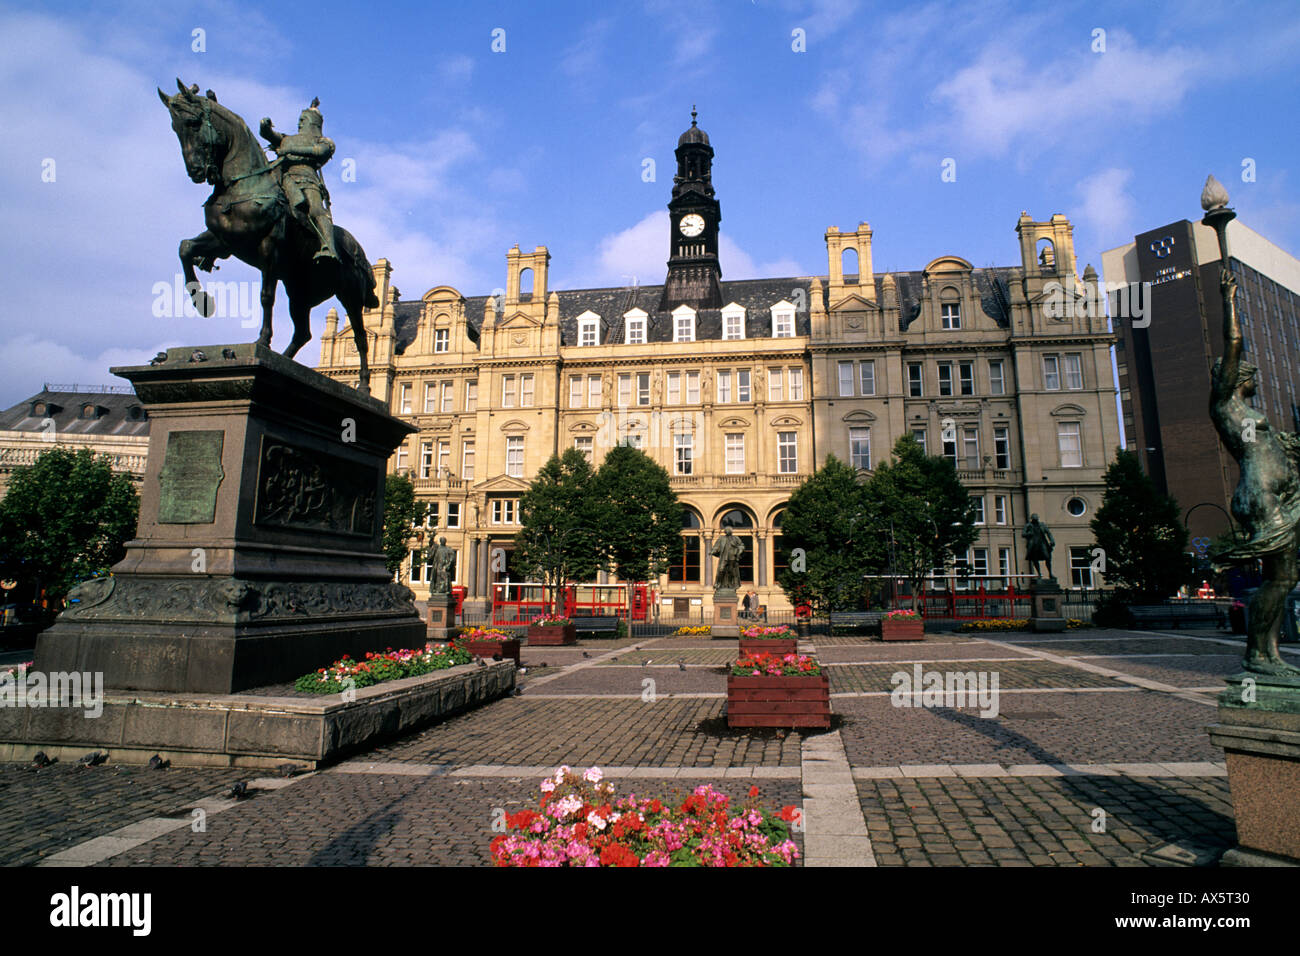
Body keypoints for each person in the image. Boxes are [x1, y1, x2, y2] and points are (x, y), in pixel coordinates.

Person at [1209, 265, 1300, 674]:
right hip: (1259, 495)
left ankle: (1268, 652)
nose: (1257, 377)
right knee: (1280, 577)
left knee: (1285, 576)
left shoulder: (1248, 412)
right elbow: (1234, 342)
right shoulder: (1225, 402)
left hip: (1274, 492)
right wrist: (1229, 301)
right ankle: (1259, 654)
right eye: (1252, 374)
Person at [260, 99, 338, 264]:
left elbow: (319, 152)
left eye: (303, 120)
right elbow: (268, 135)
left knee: (316, 210)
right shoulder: (286, 138)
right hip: (283, 177)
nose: (299, 123)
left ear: (313, 122)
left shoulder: (323, 141)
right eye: (299, 120)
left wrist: (289, 150)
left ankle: (329, 247)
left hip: (307, 179)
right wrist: (264, 126)